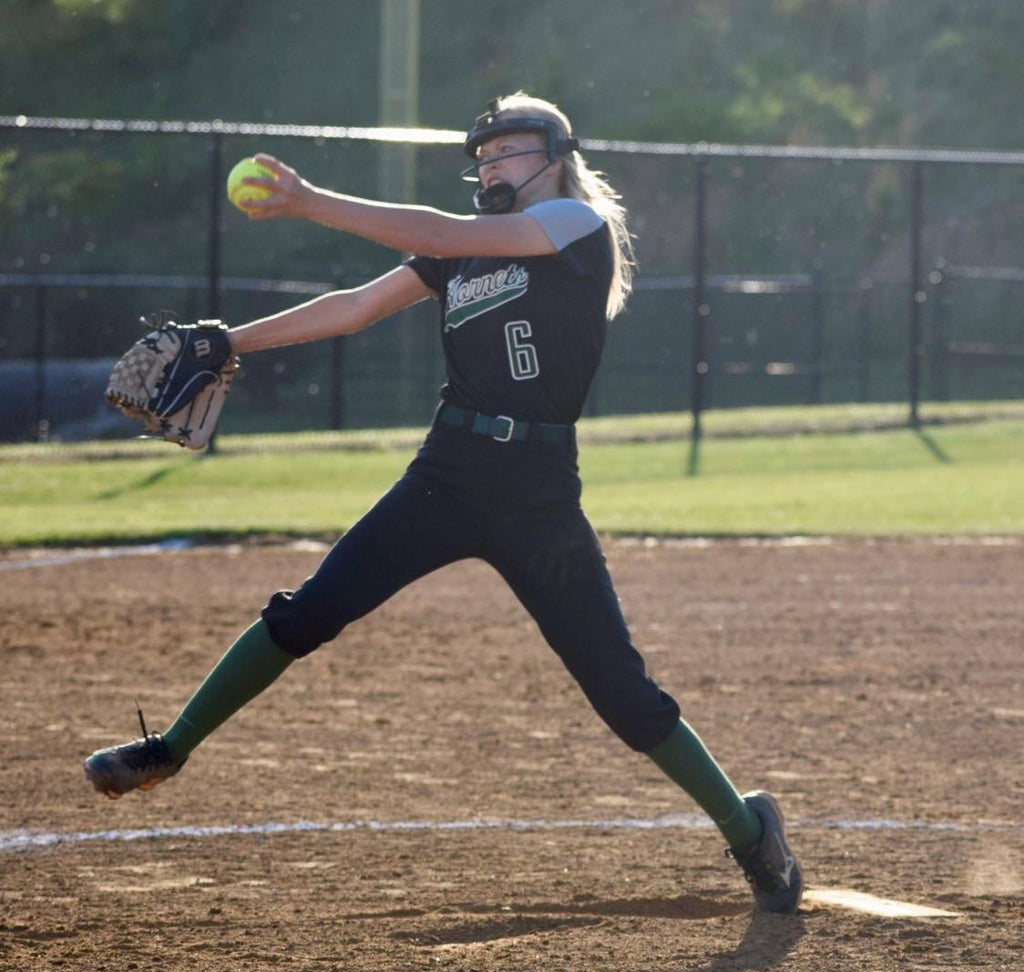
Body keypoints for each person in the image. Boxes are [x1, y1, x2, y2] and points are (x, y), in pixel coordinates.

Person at [83, 93, 803, 914]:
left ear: (557, 156)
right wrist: (229, 342)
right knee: (307, 611)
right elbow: (354, 309)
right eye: (485, 156)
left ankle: (751, 832)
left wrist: (312, 202)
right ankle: (169, 749)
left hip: (537, 495)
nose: (492, 166)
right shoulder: (459, 252)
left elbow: (444, 232)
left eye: (509, 151)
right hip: (446, 474)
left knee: (624, 695)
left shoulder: (574, 227)